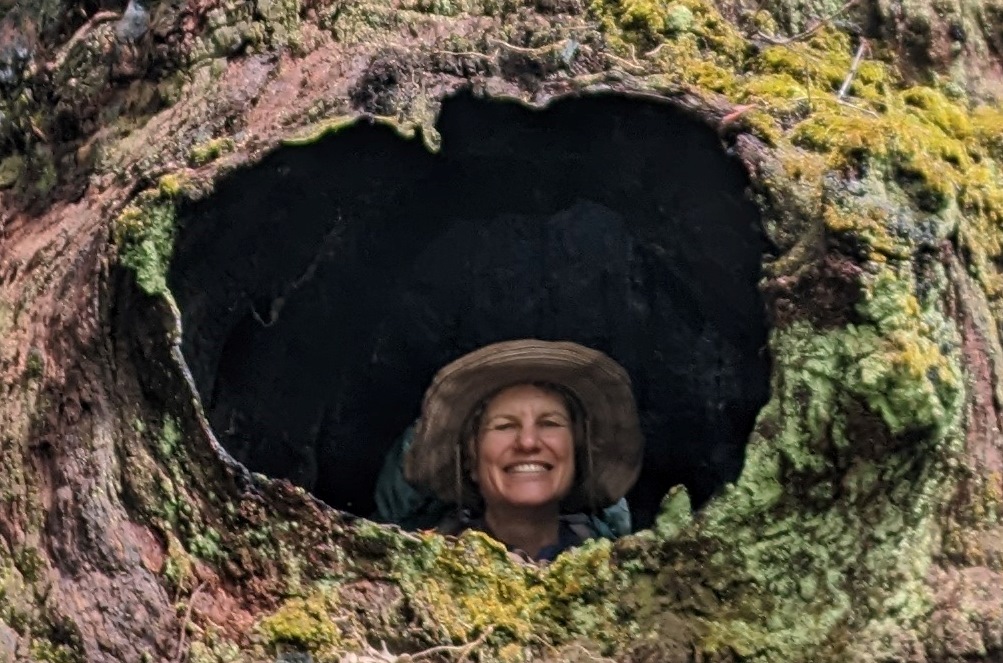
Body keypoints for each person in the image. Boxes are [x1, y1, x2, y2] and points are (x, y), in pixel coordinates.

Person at [400, 339, 643, 562]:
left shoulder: (617, 570)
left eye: (550, 423)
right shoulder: (429, 565)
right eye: (505, 426)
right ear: (470, 459)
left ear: (577, 450)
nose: (528, 442)